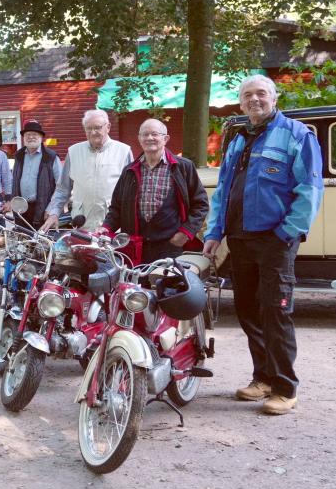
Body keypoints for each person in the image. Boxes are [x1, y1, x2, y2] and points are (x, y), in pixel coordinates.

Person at [203, 75, 322, 416]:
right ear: (240, 102)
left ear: (274, 97)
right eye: (247, 95)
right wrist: (214, 233)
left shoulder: (297, 135)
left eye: (260, 94)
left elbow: (309, 189)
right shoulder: (240, 139)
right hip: (239, 239)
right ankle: (263, 378)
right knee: (248, 310)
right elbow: (224, 190)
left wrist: (287, 232)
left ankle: (285, 388)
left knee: (275, 312)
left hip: (275, 240)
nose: (254, 100)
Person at [102, 118, 209, 263]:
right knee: (136, 285)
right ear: (139, 139)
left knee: (169, 285)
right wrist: (106, 228)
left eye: (154, 134)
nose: (149, 138)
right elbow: (116, 208)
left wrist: (186, 232)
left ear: (165, 138)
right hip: (136, 247)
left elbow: (201, 204)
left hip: (171, 245)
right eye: (144, 135)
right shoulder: (129, 171)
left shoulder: (183, 167)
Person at [43, 109, 133, 231]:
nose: (93, 132)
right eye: (88, 128)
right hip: (81, 225)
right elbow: (62, 189)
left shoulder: (123, 151)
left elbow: (131, 193)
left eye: (97, 127)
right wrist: (54, 213)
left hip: (111, 226)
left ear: (108, 127)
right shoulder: (74, 151)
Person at [11, 120, 62, 228]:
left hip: (43, 209)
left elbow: (61, 186)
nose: (31, 137)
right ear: (23, 137)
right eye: (28, 134)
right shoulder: (18, 155)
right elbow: (14, 181)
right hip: (21, 209)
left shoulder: (51, 157)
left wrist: (51, 208)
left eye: (35, 134)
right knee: (22, 242)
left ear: (41, 137)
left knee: (41, 243)